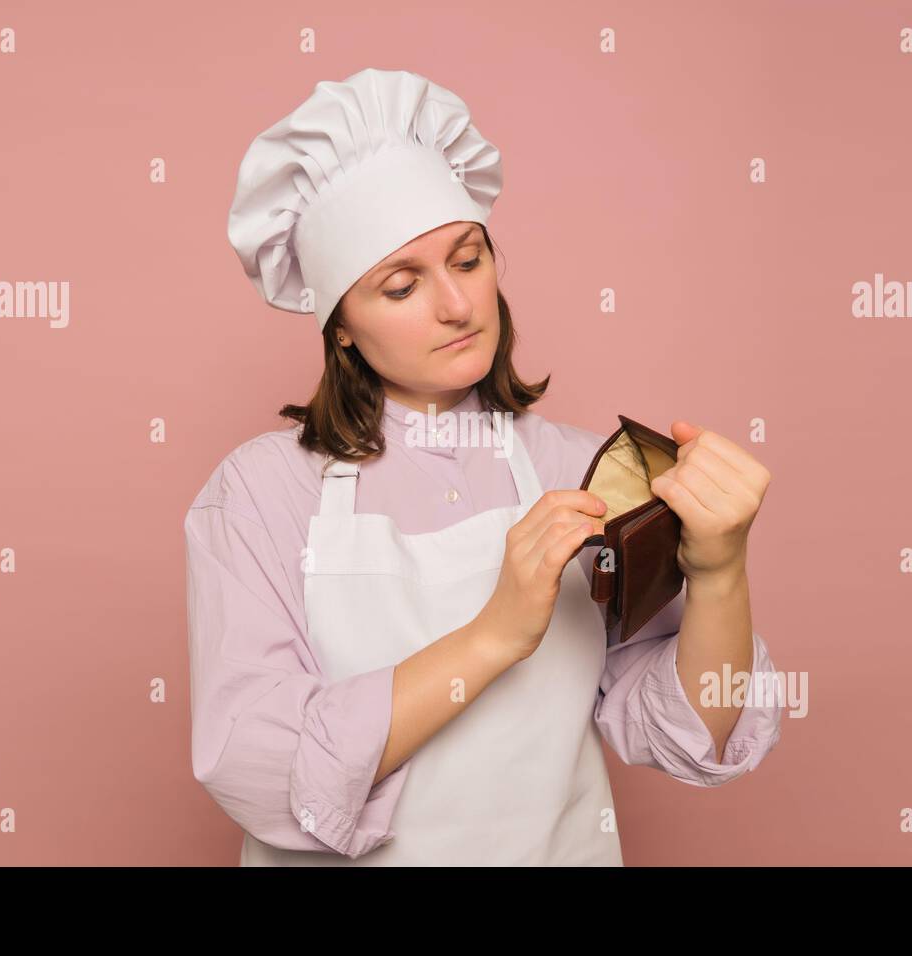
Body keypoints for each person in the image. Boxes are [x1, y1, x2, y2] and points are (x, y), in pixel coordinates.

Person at [185, 68, 783, 866]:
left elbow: (691, 733)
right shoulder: (259, 494)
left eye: (467, 261)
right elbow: (258, 770)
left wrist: (720, 571)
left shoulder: (581, 469)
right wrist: (495, 635)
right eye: (401, 286)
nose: (458, 306)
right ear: (341, 330)